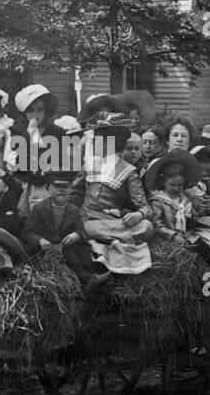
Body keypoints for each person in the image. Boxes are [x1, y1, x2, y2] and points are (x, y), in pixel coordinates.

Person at [74, 123, 155, 275]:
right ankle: (118, 239)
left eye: (99, 140)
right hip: (88, 221)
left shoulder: (129, 171)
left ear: (112, 143)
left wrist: (139, 214)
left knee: (147, 226)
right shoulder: (89, 166)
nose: (94, 143)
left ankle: (110, 240)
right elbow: (74, 194)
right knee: (85, 228)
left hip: (113, 222)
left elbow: (145, 207)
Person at [21, 172, 109, 291]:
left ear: (70, 189)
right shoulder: (39, 209)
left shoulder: (73, 210)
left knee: (79, 254)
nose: (61, 190)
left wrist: (77, 235)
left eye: (65, 187)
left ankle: (90, 279)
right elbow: (27, 232)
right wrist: (40, 240)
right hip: (45, 251)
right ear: (47, 188)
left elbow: (82, 231)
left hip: (67, 248)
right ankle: (85, 280)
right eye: (57, 186)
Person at [12, 84, 66, 214]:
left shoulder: (57, 132)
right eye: (31, 110)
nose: (35, 114)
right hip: (25, 182)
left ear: (45, 110)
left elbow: (56, 160)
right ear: (25, 113)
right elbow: (19, 160)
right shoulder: (18, 131)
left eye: (39, 109)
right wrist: (30, 133)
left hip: (48, 184)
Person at [143, 149, 200, 242]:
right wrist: (173, 236)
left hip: (186, 236)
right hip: (167, 239)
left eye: (180, 185)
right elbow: (156, 224)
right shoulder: (158, 201)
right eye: (172, 185)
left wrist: (194, 212)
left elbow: (191, 222)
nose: (176, 189)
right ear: (163, 182)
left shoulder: (184, 200)